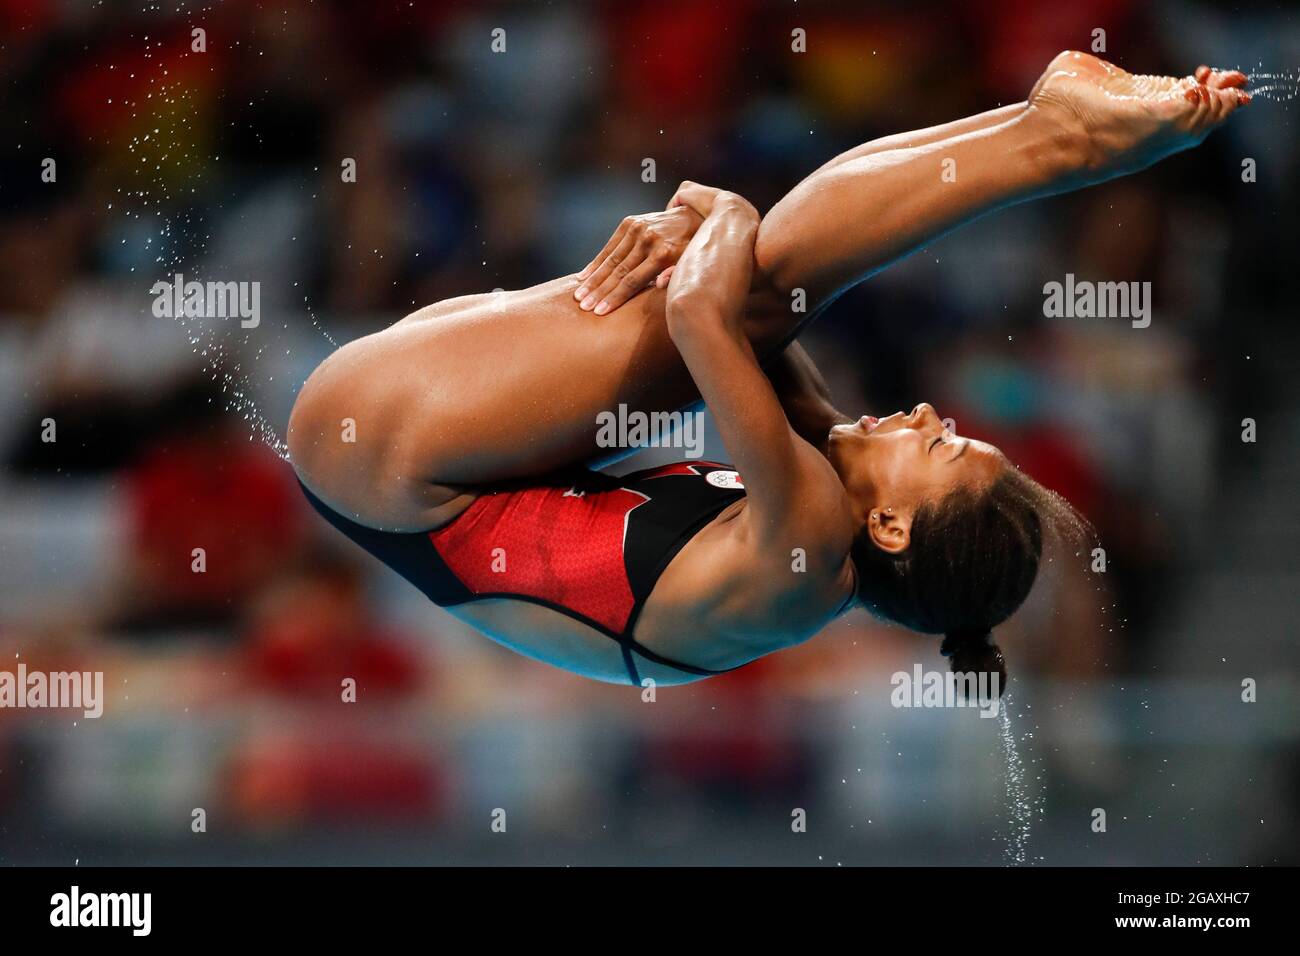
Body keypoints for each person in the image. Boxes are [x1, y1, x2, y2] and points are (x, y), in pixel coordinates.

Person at [287, 53, 1248, 688]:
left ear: (892, 523)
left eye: (942, 444)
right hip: (403, 466)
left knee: (770, 275)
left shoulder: (810, 541)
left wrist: (722, 215)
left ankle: (1063, 137)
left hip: (395, 455)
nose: (923, 413)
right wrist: (711, 236)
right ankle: (1047, 127)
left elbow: (709, 310)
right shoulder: (818, 534)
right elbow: (752, 317)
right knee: (783, 287)